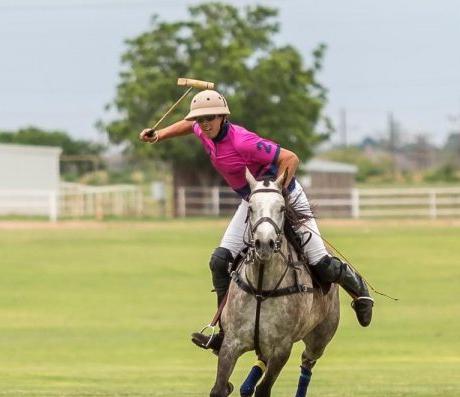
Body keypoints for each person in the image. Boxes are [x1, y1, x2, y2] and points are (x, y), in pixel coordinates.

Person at [139, 89, 374, 354]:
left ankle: (359, 289)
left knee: (320, 263)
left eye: (210, 118)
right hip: (252, 201)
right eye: (201, 119)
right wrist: (159, 135)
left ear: (223, 117)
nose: (204, 124)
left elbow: (290, 158)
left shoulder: (243, 141)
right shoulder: (204, 130)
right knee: (219, 260)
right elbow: (189, 124)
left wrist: (277, 194)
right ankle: (225, 329)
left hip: (285, 196)